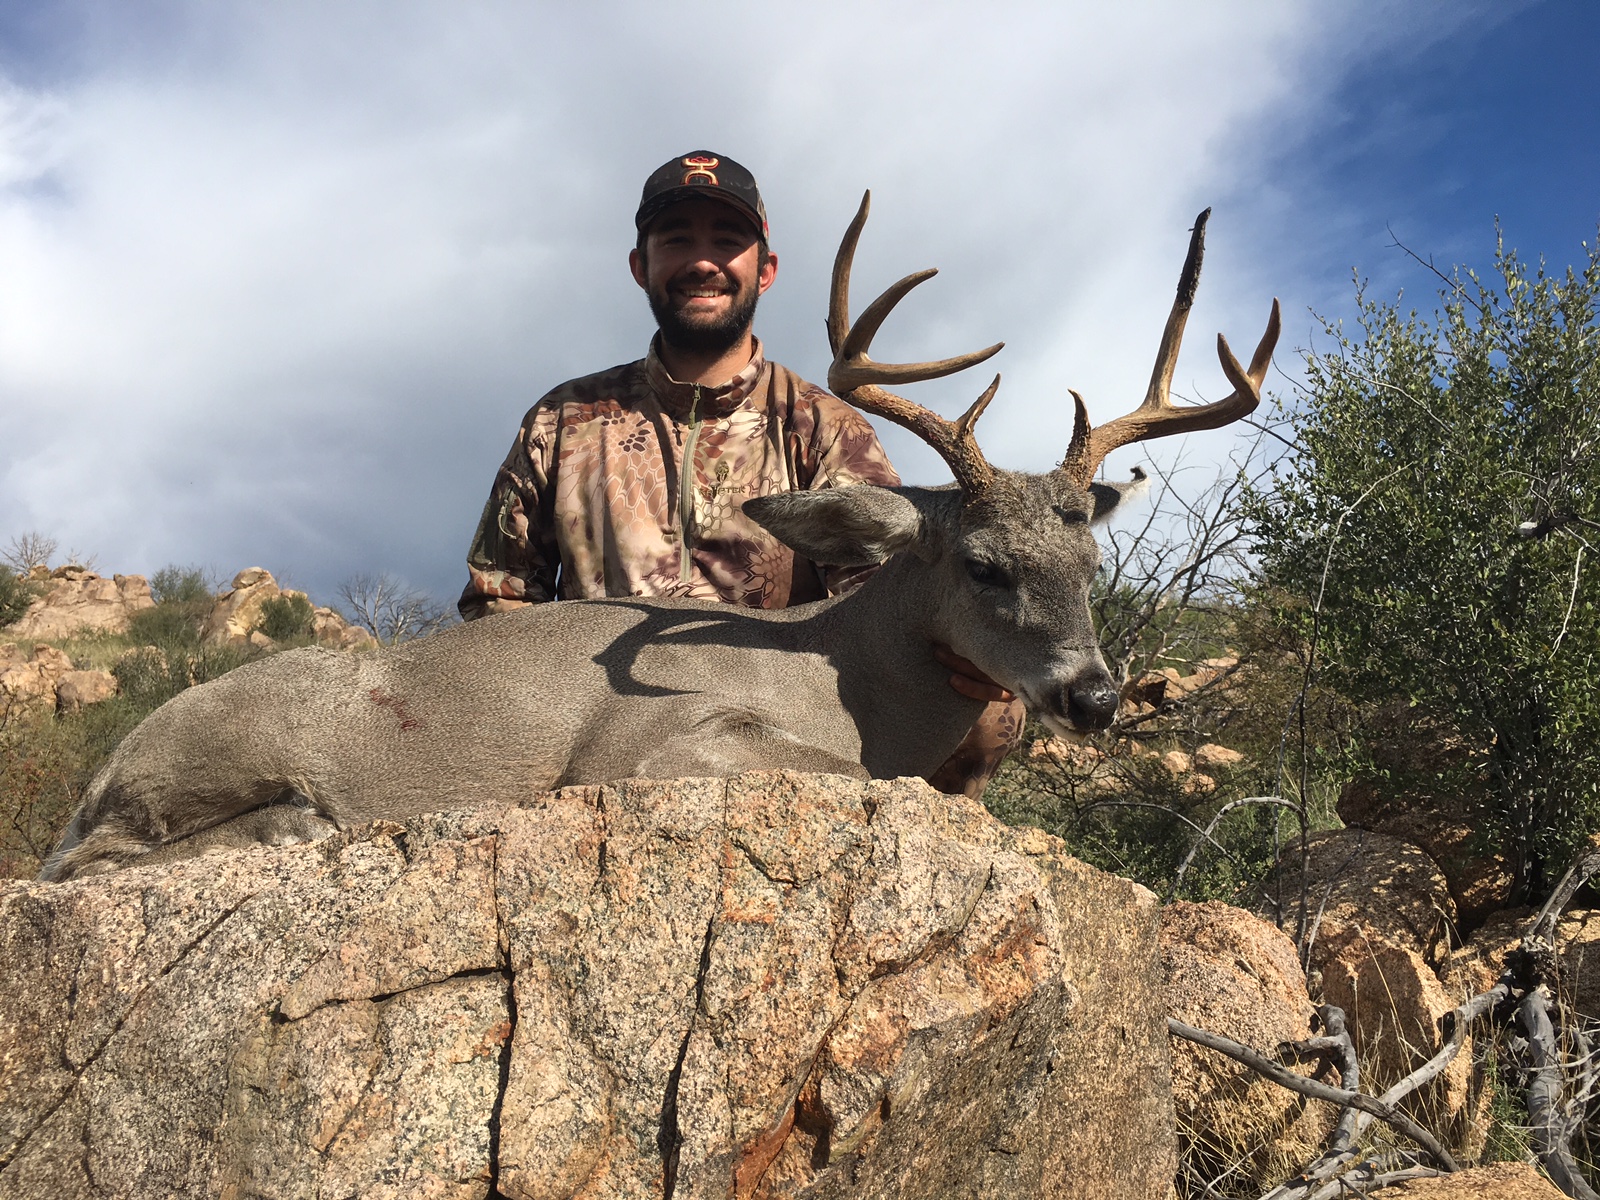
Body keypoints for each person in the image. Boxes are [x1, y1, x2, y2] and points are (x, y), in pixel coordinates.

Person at [458, 150, 1024, 797]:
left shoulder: (824, 427)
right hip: (595, 725)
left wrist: (965, 651)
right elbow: (499, 601)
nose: (703, 261)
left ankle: (918, 838)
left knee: (987, 706)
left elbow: (883, 601)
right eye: (677, 240)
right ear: (641, 266)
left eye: (727, 240)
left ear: (766, 269)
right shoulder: (564, 421)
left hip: (777, 726)